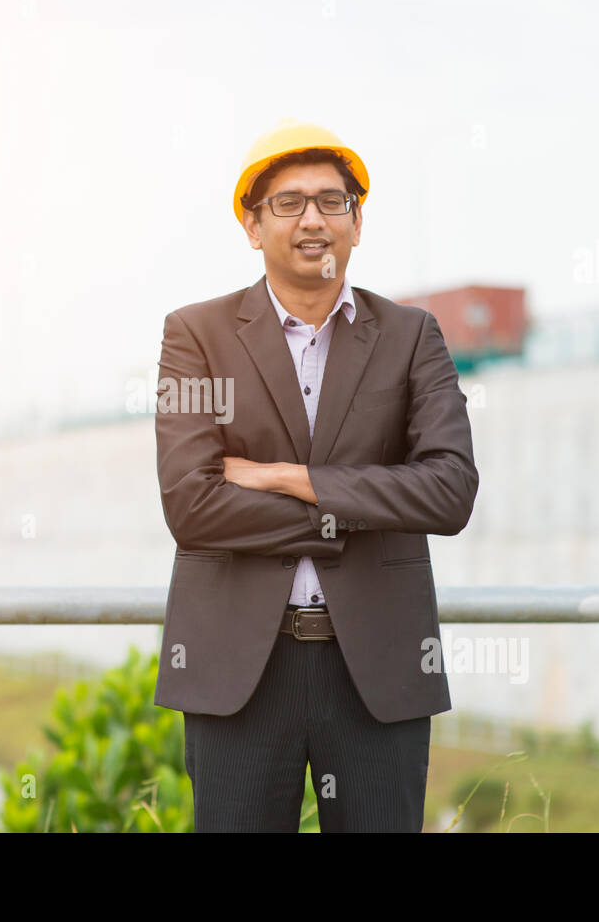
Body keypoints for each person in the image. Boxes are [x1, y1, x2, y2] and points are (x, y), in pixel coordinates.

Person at [152, 118, 479, 832]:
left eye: (333, 202)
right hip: (240, 670)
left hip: (377, 671)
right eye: (288, 202)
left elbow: (450, 490)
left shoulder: (411, 335)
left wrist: (291, 478)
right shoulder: (195, 336)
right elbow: (191, 505)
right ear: (252, 224)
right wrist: (354, 510)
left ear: (357, 223)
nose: (313, 220)